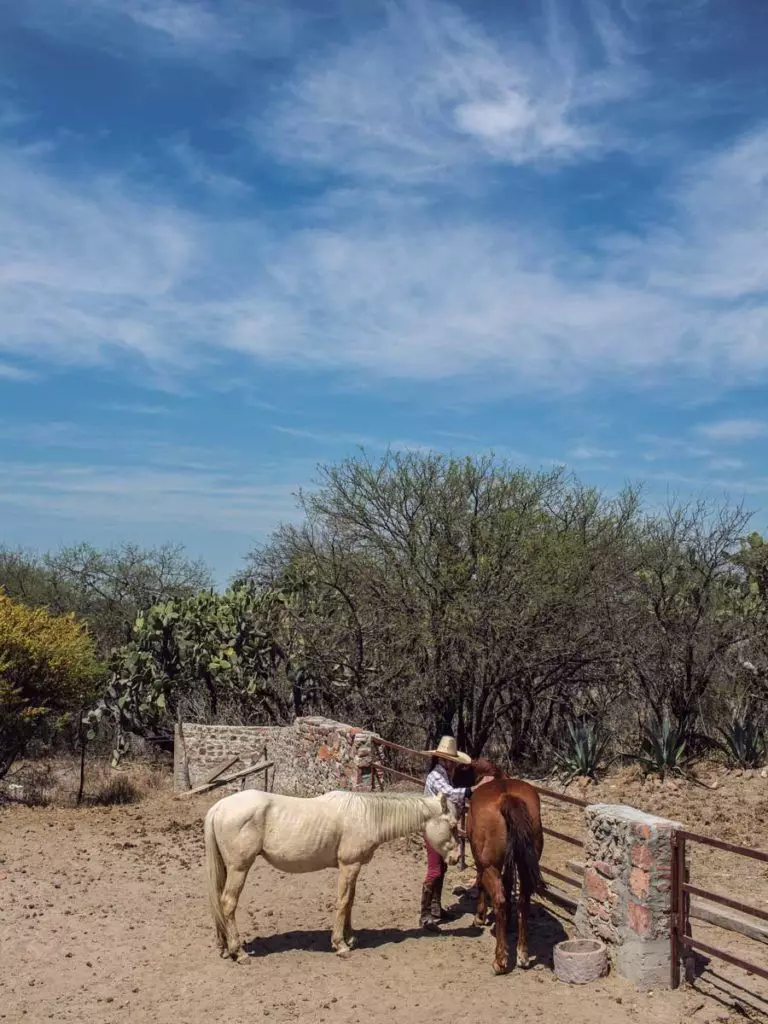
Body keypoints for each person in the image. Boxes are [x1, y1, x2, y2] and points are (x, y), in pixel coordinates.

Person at [420, 736, 494, 929]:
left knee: (441, 868)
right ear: (443, 760)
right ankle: (425, 914)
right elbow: (450, 794)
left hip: (440, 826)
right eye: (451, 761)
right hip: (433, 827)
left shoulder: (442, 774)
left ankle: (435, 908)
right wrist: (475, 789)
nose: (453, 764)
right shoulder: (437, 776)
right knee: (435, 869)